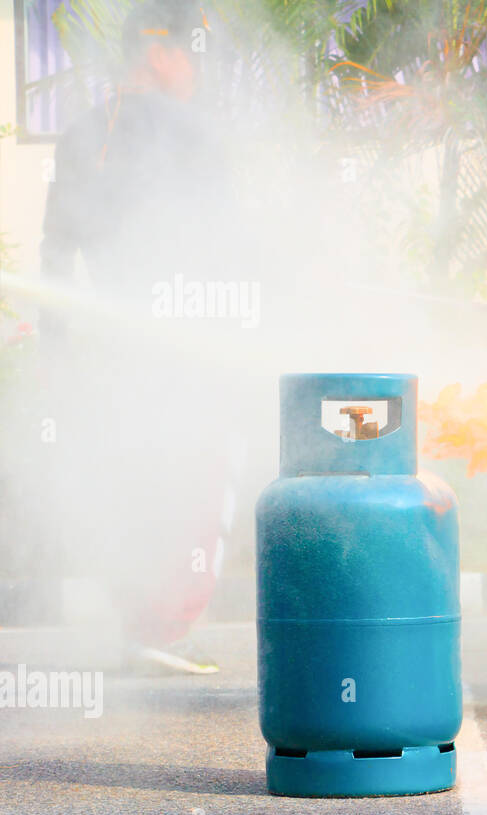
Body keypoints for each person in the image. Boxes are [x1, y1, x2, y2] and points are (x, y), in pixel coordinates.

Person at [40, 0, 241, 674]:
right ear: (159, 52)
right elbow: (231, 244)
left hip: (112, 345)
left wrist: (57, 349)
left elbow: (55, 253)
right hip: (183, 344)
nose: (197, 70)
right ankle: (167, 628)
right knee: (198, 479)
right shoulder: (192, 134)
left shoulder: (83, 133)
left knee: (130, 477)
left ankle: (139, 624)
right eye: (193, 53)